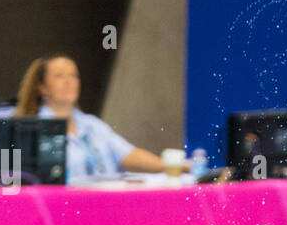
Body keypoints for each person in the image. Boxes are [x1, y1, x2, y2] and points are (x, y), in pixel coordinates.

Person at [13, 55, 174, 180]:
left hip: (104, 206)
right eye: (59, 76)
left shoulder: (91, 124)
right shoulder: (32, 130)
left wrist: (175, 166)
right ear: (42, 87)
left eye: (74, 76)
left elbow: (127, 153)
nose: (69, 81)